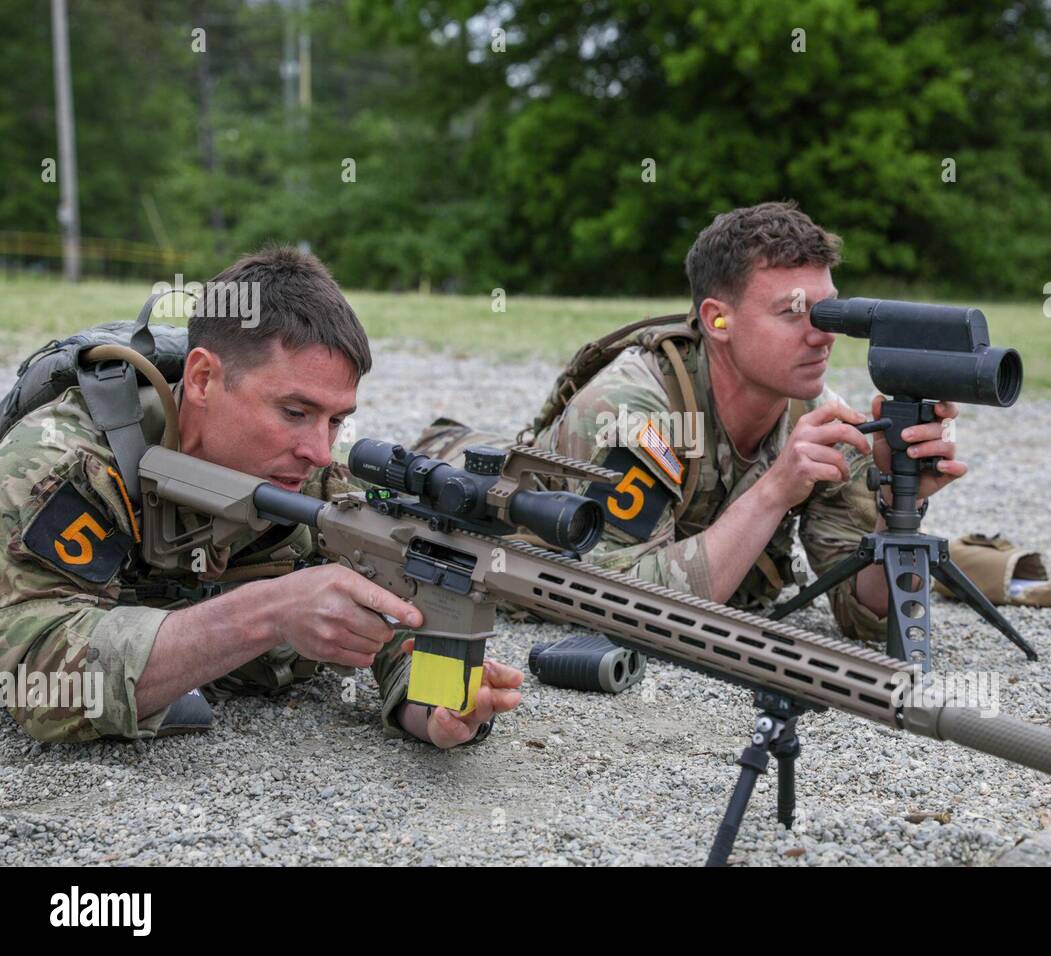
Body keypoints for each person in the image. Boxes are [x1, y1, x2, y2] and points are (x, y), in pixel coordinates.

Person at [0, 247, 522, 745]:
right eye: (295, 413)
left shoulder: (310, 479)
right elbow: (38, 684)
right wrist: (267, 613)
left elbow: (393, 617)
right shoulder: (64, 464)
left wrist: (431, 707)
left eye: (337, 420)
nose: (319, 451)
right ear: (203, 379)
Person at [414, 202, 964, 643]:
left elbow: (867, 616)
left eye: (828, 312)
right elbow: (619, 602)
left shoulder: (819, 420)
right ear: (717, 320)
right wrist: (774, 491)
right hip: (466, 477)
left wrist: (900, 504)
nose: (822, 334)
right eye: (793, 313)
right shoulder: (631, 413)